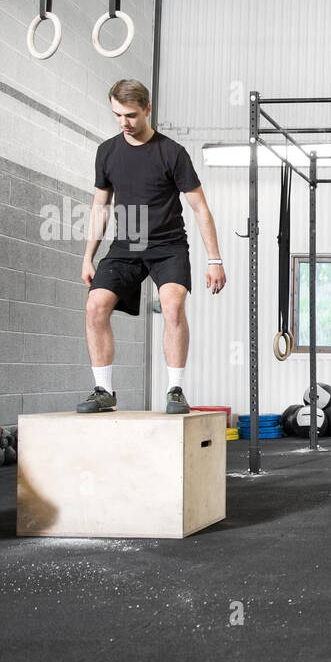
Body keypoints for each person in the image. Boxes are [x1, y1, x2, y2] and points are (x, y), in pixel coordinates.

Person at [80, 79, 226, 415]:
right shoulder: (107, 152)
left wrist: (214, 259)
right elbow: (99, 207)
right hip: (125, 246)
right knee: (94, 306)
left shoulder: (172, 153)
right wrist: (88, 256)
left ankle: (175, 389)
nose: (124, 122)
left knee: (172, 305)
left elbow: (200, 208)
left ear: (147, 110)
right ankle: (103, 390)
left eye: (130, 115)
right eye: (117, 115)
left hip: (168, 245)